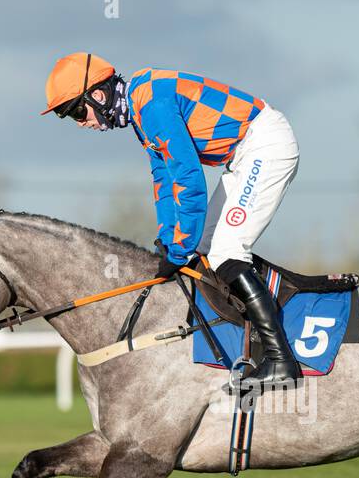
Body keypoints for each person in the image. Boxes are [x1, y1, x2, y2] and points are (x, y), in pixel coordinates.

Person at [42, 52, 301, 389]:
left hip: (265, 145)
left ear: (98, 94)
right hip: (244, 153)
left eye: (77, 110)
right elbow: (163, 178)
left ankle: (281, 360)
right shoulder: (139, 106)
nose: (81, 122)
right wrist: (167, 237)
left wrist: (179, 250)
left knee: (226, 252)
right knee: (207, 249)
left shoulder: (151, 105)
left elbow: (189, 178)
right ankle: (245, 343)